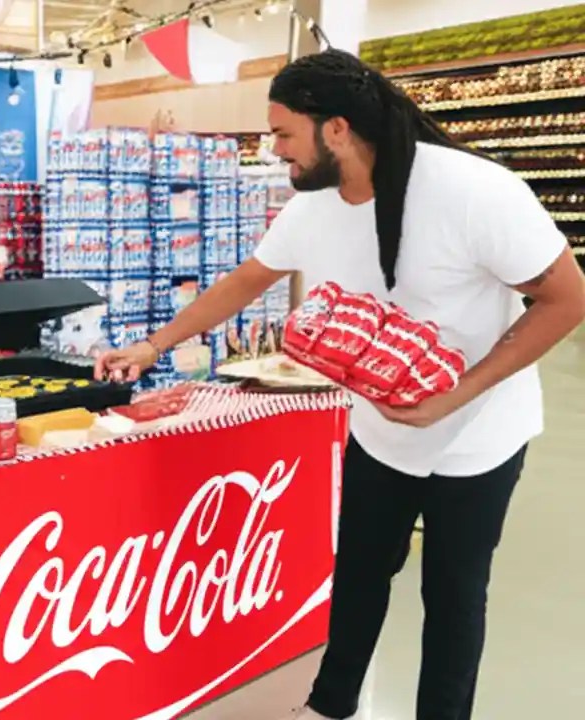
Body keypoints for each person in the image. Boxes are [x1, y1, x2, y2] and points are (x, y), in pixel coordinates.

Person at [95, 49, 585, 720]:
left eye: (282, 134)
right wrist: (152, 345)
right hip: (381, 432)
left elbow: (567, 298)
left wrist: (456, 395)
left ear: (334, 129)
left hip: (479, 434)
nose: (275, 152)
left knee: (454, 595)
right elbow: (245, 282)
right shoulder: (315, 207)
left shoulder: (474, 192)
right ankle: (329, 706)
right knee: (357, 575)